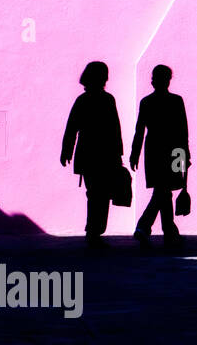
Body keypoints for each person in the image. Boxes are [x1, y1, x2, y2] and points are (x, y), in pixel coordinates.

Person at [60, 61, 124, 248]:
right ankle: (95, 231)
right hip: (105, 155)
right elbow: (115, 129)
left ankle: (92, 231)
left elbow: (72, 128)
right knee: (102, 195)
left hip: (87, 154)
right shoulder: (107, 99)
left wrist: (67, 150)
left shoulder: (82, 100)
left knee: (94, 194)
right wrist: (118, 154)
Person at [130, 65, 190, 246]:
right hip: (174, 151)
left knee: (162, 191)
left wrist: (135, 153)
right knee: (164, 191)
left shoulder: (146, 102)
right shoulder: (176, 101)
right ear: (168, 79)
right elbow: (183, 131)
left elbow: (139, 130)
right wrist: (185, 154)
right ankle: (151, 228)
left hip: (154, 150)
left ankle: (166, 230)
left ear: (153, 80)